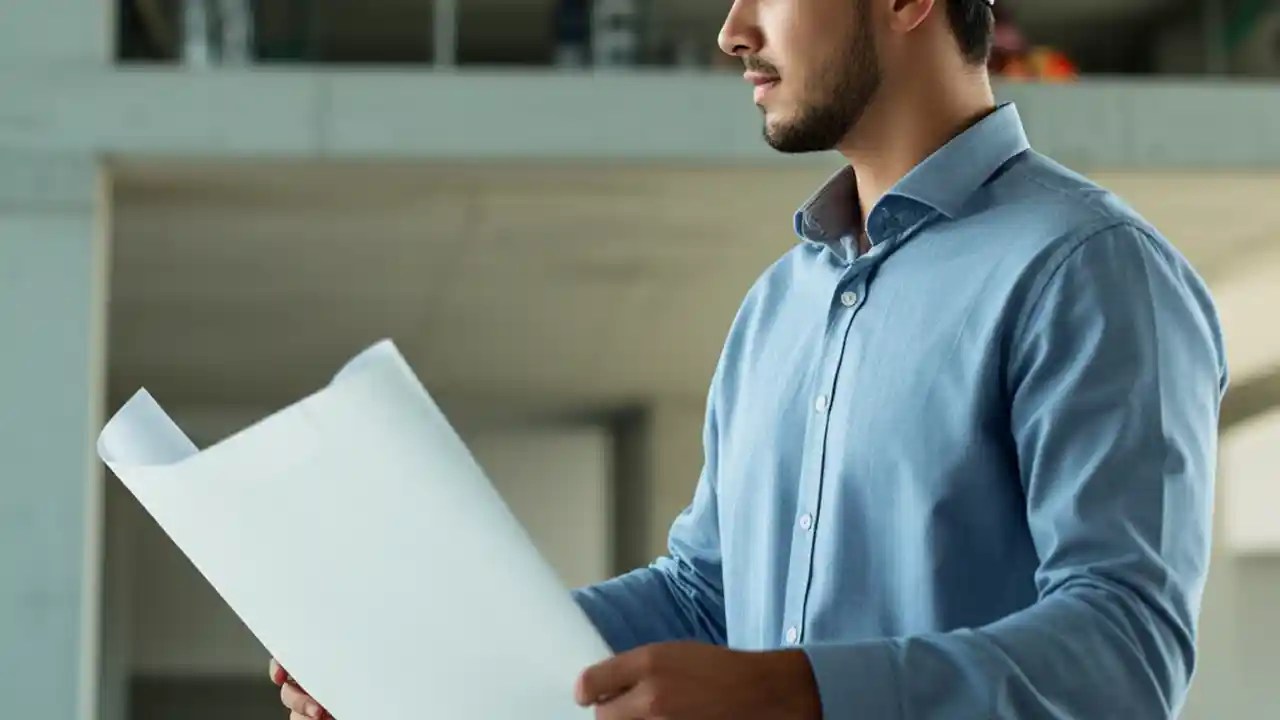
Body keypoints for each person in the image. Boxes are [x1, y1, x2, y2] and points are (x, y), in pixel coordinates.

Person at [271, 0, 1228, 717]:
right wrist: (429, 666)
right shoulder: (779, 305)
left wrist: (799, 693)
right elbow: (707, 598)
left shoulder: (1089, 269)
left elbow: (1125, 649)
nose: (733, 31)